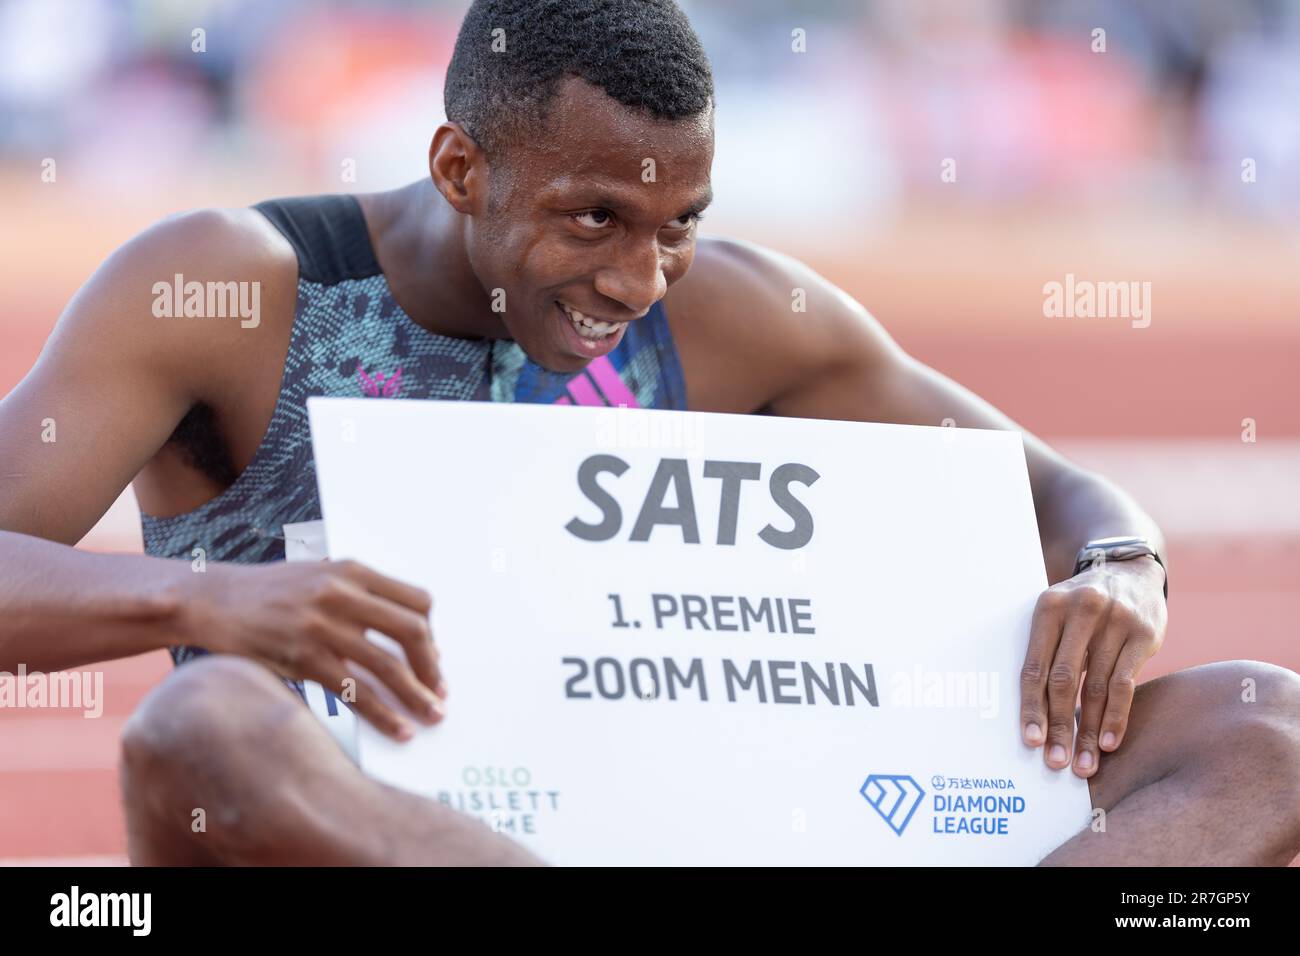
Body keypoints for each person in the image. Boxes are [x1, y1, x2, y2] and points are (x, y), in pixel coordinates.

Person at [0, 0, 1296, 866]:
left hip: (673, 808)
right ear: (462, 172)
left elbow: (1057, 492)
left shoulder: (739, 310)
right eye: (593, 220)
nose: (639, 281)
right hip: (367, 835)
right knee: (201, 730)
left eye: (676, 224)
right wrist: (212, 602)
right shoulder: (236, 288)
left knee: (1261, 728)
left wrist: (1122, 568)